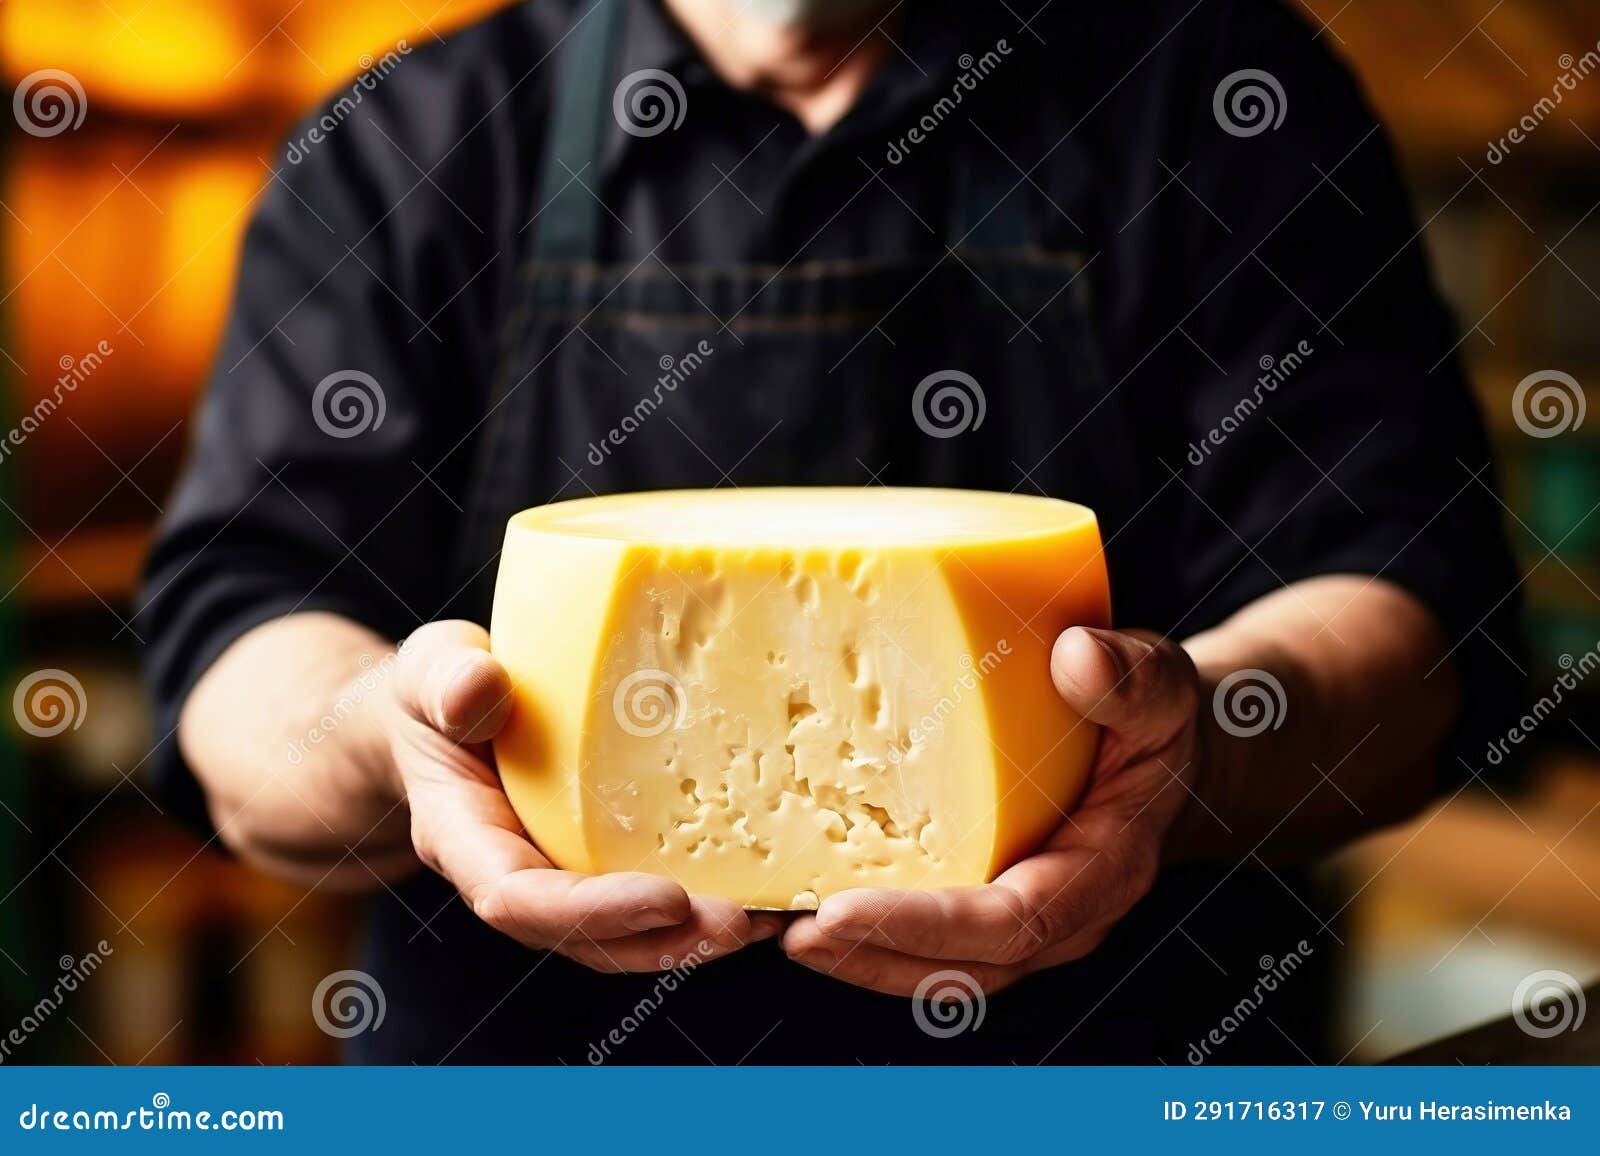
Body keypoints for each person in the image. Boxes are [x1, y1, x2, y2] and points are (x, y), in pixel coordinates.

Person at [140, 0, 1524, 1063]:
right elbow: (245, 636)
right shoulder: (411, 137)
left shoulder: (1222, 94)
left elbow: (1402, 613)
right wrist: (393, 737)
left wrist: (1188, 751)